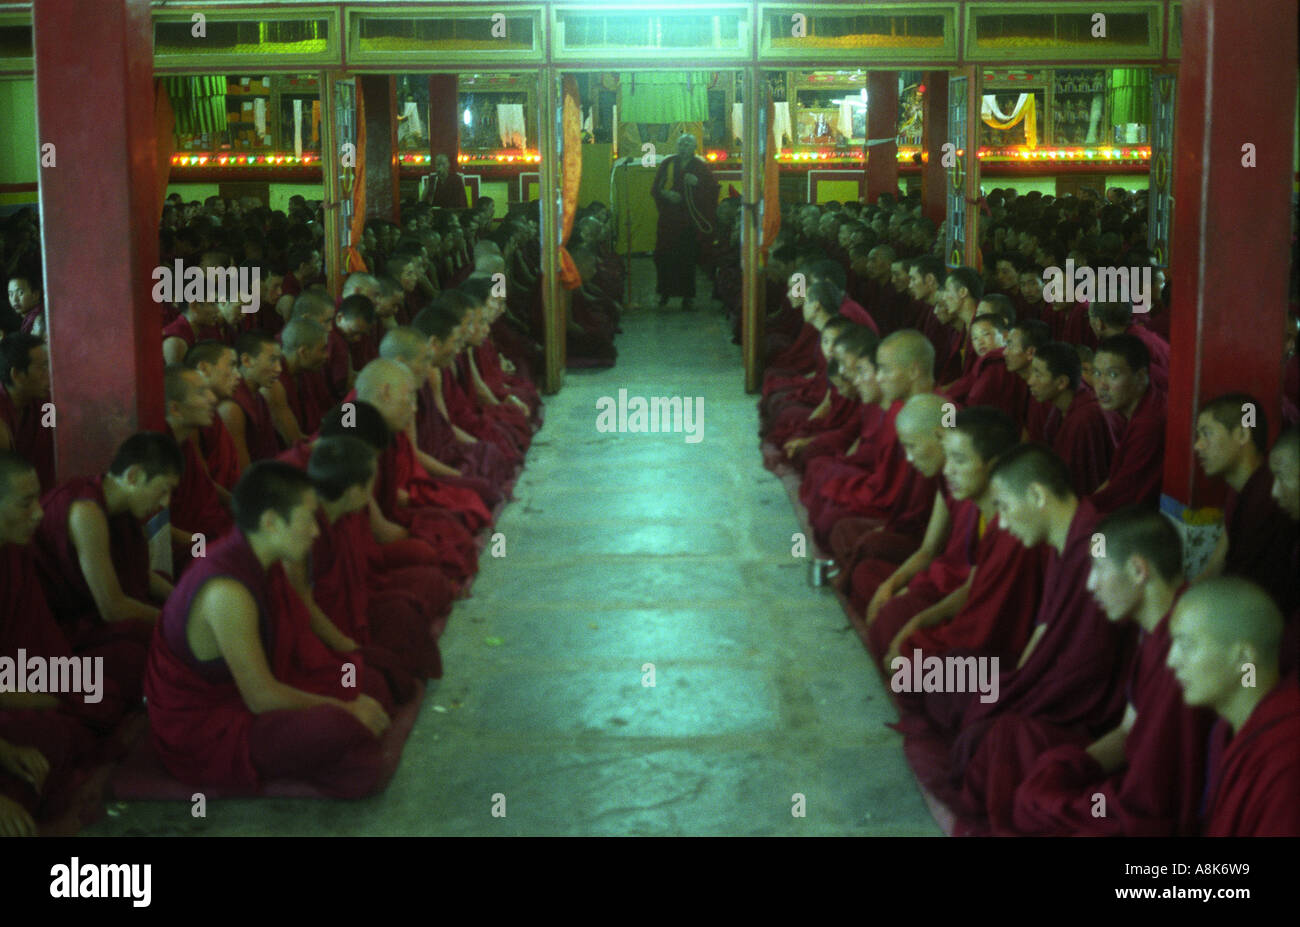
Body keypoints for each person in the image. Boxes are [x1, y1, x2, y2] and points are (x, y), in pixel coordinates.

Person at [143, 461, 392, 797]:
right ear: (272, 523)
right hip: (208, 730)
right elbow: (260, 697)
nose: (317, 531)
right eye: (308, 519)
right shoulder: (226, 592)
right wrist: (344, 708)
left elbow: (293, 644)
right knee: (336, 728)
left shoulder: (258, 560)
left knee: (368, 680)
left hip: (247, 692)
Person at [1007, 507, 1214, 836]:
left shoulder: (1187, 649)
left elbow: (1158, 789)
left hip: (1158, 808)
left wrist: (1087, 802)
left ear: (1137, 570)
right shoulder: (1151, 633)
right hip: (1135, 785)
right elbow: (1129, 731)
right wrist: (1070, 769)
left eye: (1098, 568)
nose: (1090, 585)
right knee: (1027, 771)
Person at [1167, 577, 1299, 836]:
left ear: (1243, 659)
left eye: (1186, 644)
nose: (1171, 661)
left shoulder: (1288, 758)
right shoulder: (1224, 731)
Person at [1194, 393, 1298, 616]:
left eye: (1207, 434)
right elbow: (1221, 558)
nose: (1198, 446)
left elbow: (1255, 585)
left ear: (1242, 434)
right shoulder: (1238, 487)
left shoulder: (1273, 495)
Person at [1025, 341, 1114, 496]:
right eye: (1032, 373)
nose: (1030, 381)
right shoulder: (1062, 407)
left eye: (1038, 375)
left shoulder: (1085, 419)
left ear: (1061, 382)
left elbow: (1087, 482)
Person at [1090, 334, 1166, 512]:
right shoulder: (1144, 406)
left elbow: (1124, 495)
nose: (1102, 385)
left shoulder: (1150, 424)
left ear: (1140, 377)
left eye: (1112, 375)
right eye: (1096, 373)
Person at [650, 134, 718, 311]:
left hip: (689, 221)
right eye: (681, 143)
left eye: (688, 144)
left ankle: (687, 296)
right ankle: (664, 293)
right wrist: (666, 194)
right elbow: (655, 188)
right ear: (676, 146)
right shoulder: (668, 164)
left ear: (694, 147)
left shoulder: (700, 167)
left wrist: (698, 183)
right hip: (669, 219)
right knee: (663, 256)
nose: (684, 147)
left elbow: (712, 190)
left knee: (686, 259)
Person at [219, 330, 283, 470]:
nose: (279, 369)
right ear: (247, 360)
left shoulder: (258, 396)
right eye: (272, 360)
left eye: (279, 361)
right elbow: (243, 472)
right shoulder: (232, 408)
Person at [0, 333, 54, 492]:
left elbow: (51, 440)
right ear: (16, 375)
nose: (50, 374)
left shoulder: (47, 404)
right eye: (43, 367)